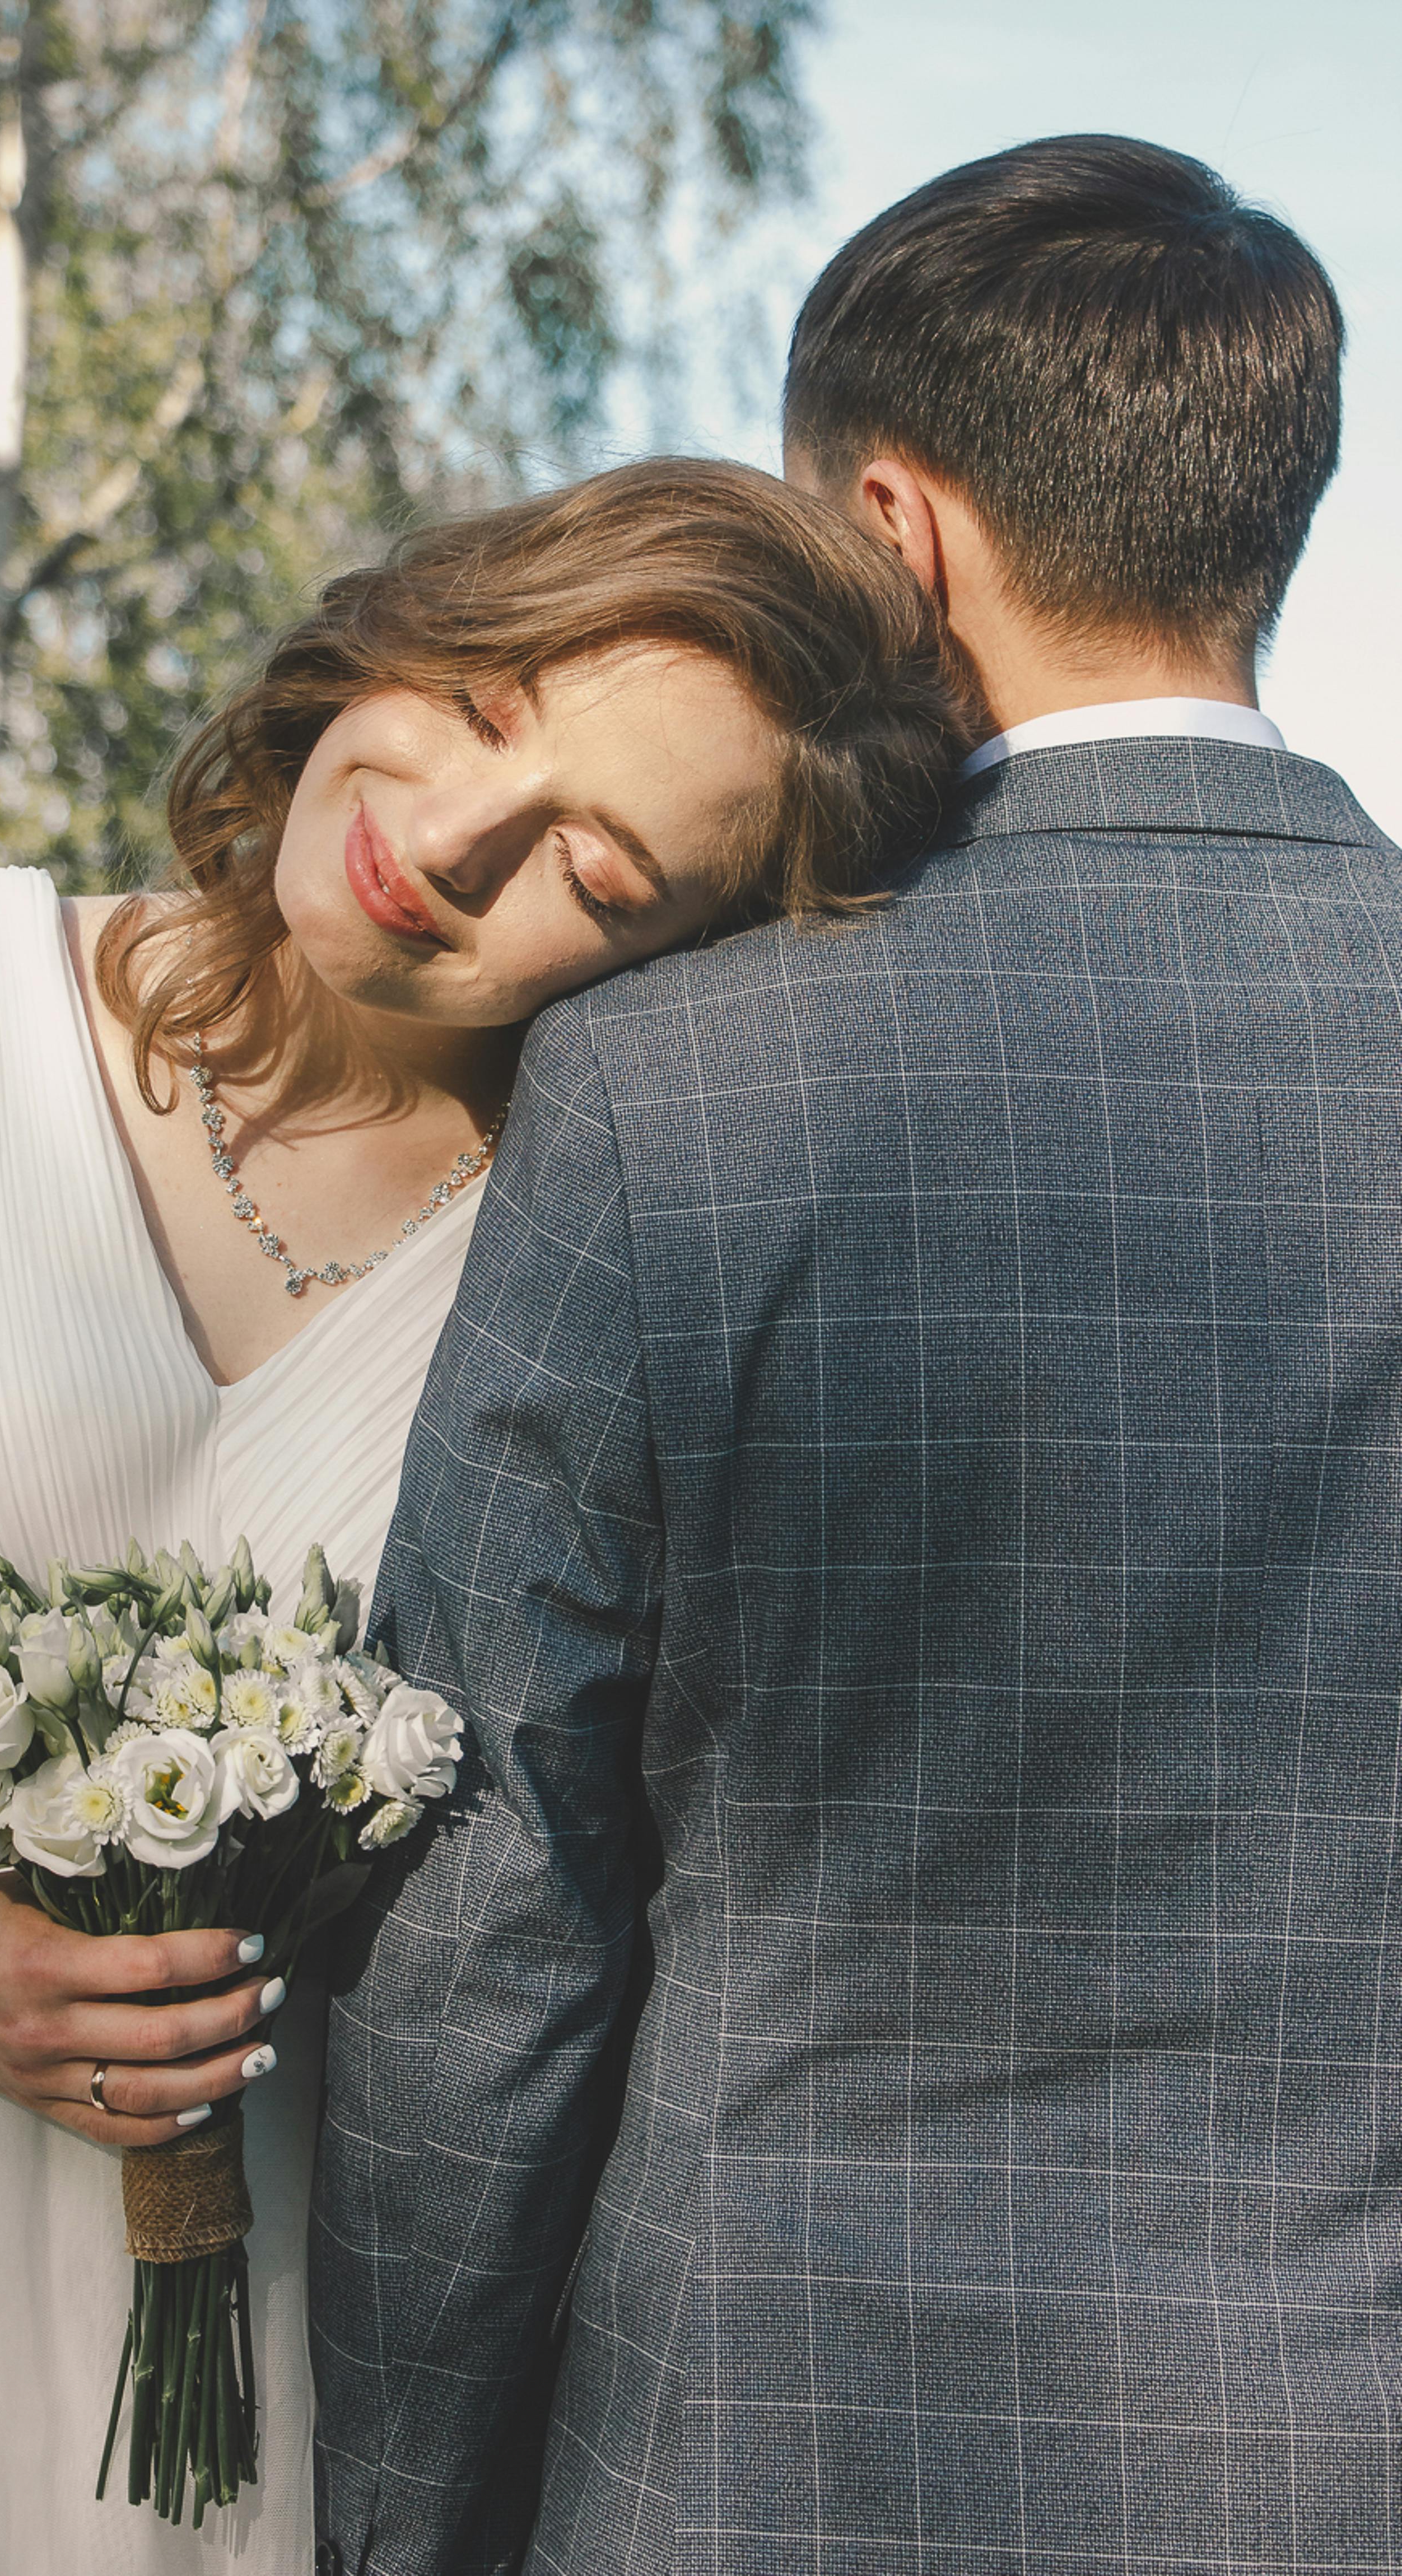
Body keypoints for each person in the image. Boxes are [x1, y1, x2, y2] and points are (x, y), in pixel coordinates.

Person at [0, 460, 962, 2576]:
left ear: (686, 960)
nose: (446, 839)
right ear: (414, 620)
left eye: (598, 867)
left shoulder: (594, 1273)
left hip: (253, 2319)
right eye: (487, 700)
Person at [311, 137, 1402, 2575]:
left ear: (893, 535)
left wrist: (386, 2516)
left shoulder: (676, 1077)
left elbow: (498, 1887)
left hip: (747, 2459)